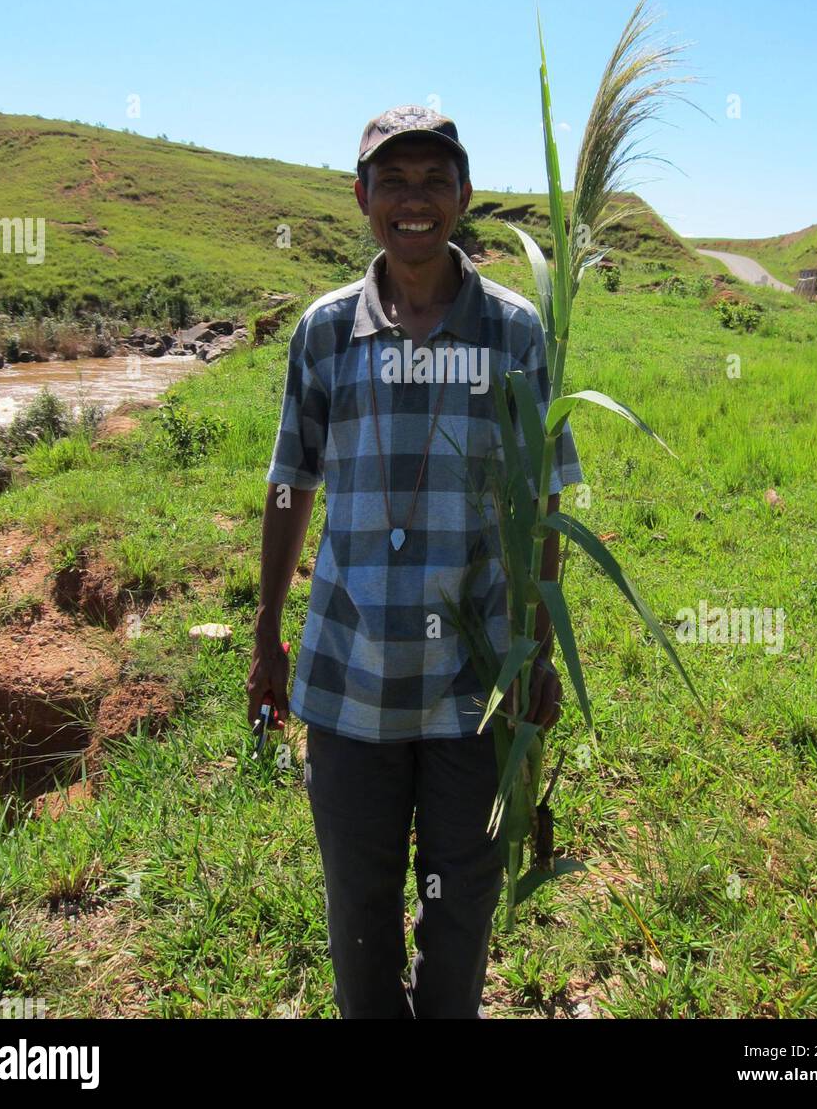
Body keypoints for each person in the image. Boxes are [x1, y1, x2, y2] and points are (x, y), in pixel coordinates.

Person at [246, 104, 583, 1019]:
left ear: (464, 196)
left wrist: (538, 650)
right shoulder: (324, 333)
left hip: (471, 686)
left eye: (436, 179)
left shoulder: (514, 335)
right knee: (358, 914)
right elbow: (291, 484)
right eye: (393, 180)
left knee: (461, 910)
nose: (415, 200)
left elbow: (547, 504)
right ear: (363, 197)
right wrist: (267, 633)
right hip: (350, 675)